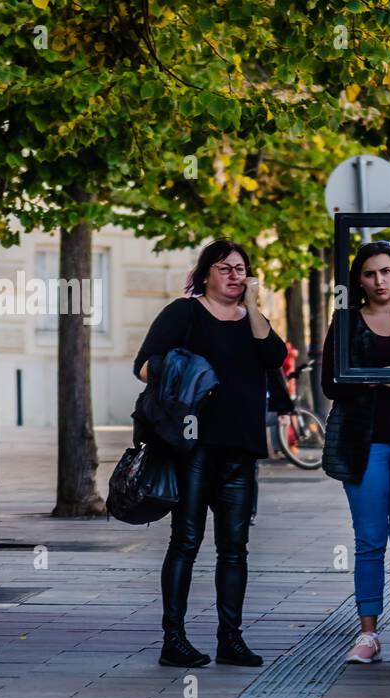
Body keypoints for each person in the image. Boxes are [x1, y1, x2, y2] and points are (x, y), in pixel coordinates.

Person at [134, 240, 288, 668]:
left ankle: (230, 638)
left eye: (241, 269)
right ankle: (174, 638)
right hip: (192, 446)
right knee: (185, 541)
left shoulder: (252, 321)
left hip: (240, 447)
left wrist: (254, 308)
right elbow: (144, 365)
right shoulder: (184, 313)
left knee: (234, 548)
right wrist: (184, 371)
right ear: (205, 274)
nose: (235, 275)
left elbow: (274, 356)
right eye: (225, 268)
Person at [321, 241, 390, 664]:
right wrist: (379, 378)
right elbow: (331, 384)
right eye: (370, 274)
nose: (379, 281)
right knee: (368, 541)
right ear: (358, 280)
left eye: (386, 271)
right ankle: (367, 634)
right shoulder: (346, 322)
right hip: (362, 445)